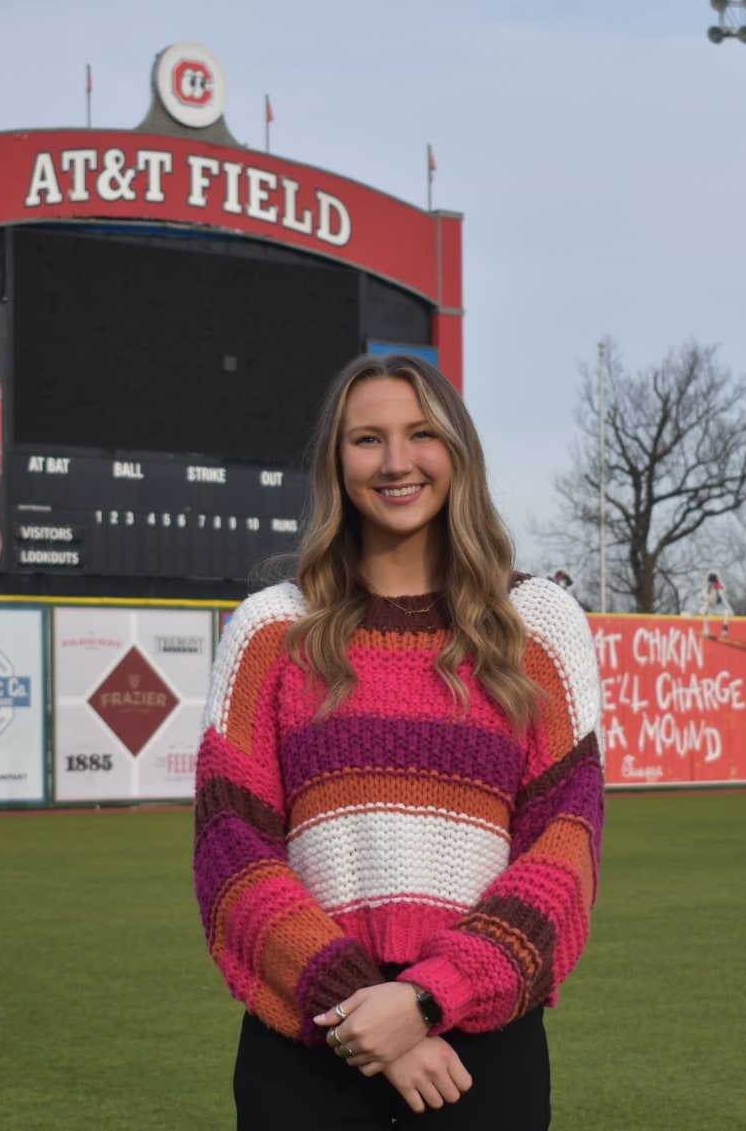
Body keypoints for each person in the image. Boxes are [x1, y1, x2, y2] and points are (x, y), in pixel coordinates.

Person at [194, 353, 605, 1129]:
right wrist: (364, 1011)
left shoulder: (540, 625)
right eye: (366, 439)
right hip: (309, 1037)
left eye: (421, 434)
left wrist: (428, 998)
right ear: (335, 461)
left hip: (480, 1046)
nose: (395, 462)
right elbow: (231, 849)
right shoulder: (269, 629)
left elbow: (566, 844)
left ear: (458, 451)